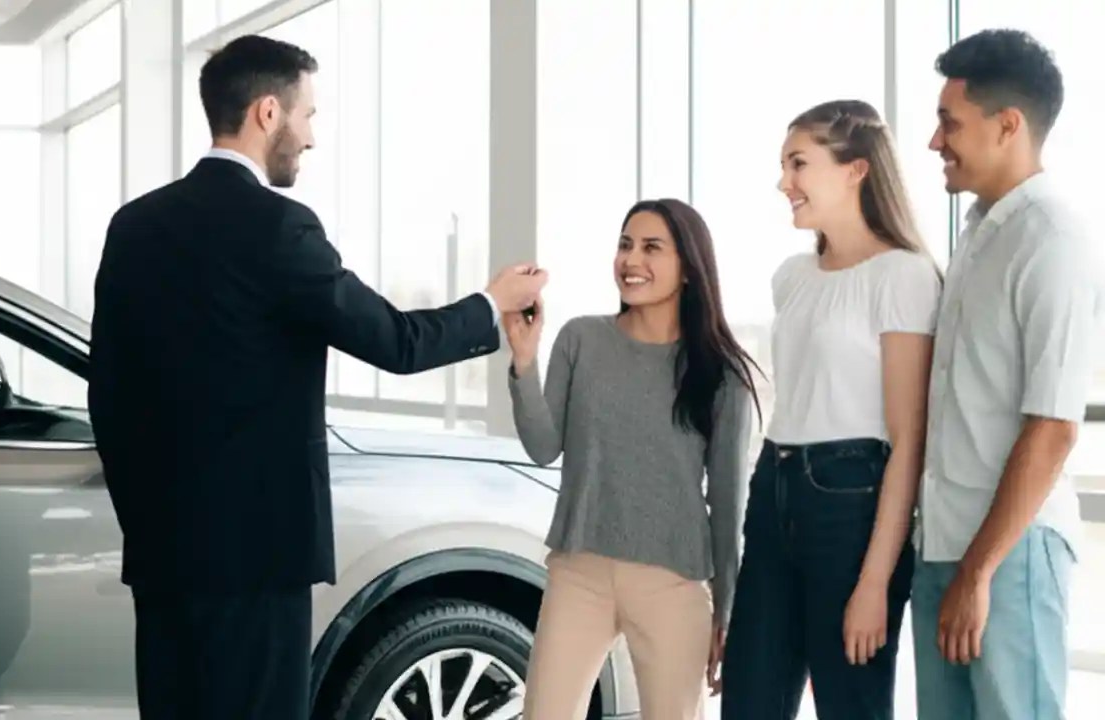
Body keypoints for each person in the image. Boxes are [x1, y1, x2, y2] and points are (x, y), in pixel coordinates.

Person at [86, 34, 547, 719]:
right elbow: (395, 341)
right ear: (267, 113)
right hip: (259, 557)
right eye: (308, 115)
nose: (310, 136)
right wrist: (491, 305)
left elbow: (109, 396)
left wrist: (152, 523)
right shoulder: (279, 227)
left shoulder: (135, 226)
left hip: (166, 555)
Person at [719, 100, 941, 720]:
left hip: (851, 504)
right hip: (773, 489)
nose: (783, 183)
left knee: (851, 707)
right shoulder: (791, 276)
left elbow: (907, 438)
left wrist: (874, 583)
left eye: (798, 163)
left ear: (855, 170)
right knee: (749, 702)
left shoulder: (903, 275)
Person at [504, 198, 759, 719]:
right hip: (580, 571)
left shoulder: (722, 373)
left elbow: (730, 502)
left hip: (675, 583)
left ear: (688, 268)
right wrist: (524, 361)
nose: (631, 260)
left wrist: (728, 613)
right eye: (625, 245)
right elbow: (542, 445)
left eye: (651, 248)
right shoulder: (581, 338)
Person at [913, 29, 1103, 720]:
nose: (936, 142)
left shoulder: (1051, 238)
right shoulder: (980, 232)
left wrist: (980, 570)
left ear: (1008, 125)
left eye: (949, 123)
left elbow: (1053, 427)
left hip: (1007, 556)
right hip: (945, 544)